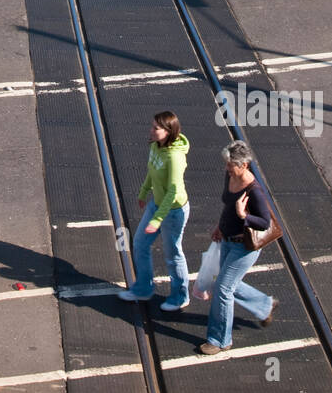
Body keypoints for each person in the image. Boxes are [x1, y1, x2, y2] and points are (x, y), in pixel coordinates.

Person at [198, 141, 278, 355]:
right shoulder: (231, 176)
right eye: (226, 163)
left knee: (223, 289)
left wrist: (244, 216)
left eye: (230, 164)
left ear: (244, 165)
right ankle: (264, 305)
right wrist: (220, 226)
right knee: (226, 283)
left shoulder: (255, 191)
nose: (226, 167)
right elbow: (228, 205)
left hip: (244, 247)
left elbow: (265, 222)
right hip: (227, 239)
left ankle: (220, 340)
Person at [117, 111, 190, 312]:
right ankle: (143, 288)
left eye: (156, 128)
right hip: (156, 205)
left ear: (168, 132)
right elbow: (152, 170)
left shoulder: (175, 157)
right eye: (152, 126)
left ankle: (180, 296)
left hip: (173, 211)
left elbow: (173, 191)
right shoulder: (155, 146)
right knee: (140, 243)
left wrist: (157, 219)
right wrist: (143, 192)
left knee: (173, 254)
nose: (151, 130)